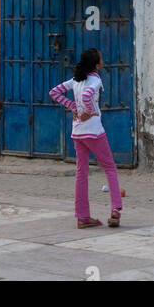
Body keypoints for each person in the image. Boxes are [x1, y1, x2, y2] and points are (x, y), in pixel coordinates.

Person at [50, 48, 123, 229]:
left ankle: (82, 216)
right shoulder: (96, 80)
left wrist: (73, 107)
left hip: (77, 133)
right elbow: (87, 96)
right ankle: (115, 210)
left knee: (81, 173)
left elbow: (54, 92)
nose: (103, 60)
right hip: (94, 131)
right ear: (96, 65)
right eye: (101, 58)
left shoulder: (76, 80)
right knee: (110, 168)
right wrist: (88, 112)